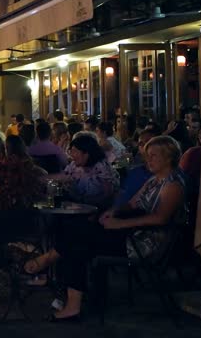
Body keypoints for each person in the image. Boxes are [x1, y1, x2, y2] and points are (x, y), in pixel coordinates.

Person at [24, 136, 186, 321]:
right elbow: (132, 204)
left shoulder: (173, 184)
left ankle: (51, 269)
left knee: (77, 239)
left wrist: (119, 223)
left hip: (144, 243)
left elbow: (160, 218)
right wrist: (114, 212)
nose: (148, 160)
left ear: (169, 158)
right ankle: (69, 299)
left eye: (154, 156)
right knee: (77, 234)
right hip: (131, 233)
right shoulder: (154, 180)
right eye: (147, 156)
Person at [56, 134, 119, 208]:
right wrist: (42, 178)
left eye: (75, 151)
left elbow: (107, 196)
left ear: (86, 153)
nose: (72, 155)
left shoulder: (101, 167)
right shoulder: (74, 164)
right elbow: (65, 176)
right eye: (71, 151)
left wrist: (82, 203)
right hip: (76, 208)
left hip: (97, 212)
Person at [115, 129, 158, 207]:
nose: (144, 145)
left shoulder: (162, 172)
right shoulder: (133, 159)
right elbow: (115, 166)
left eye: (148, 142)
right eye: (141, 143)